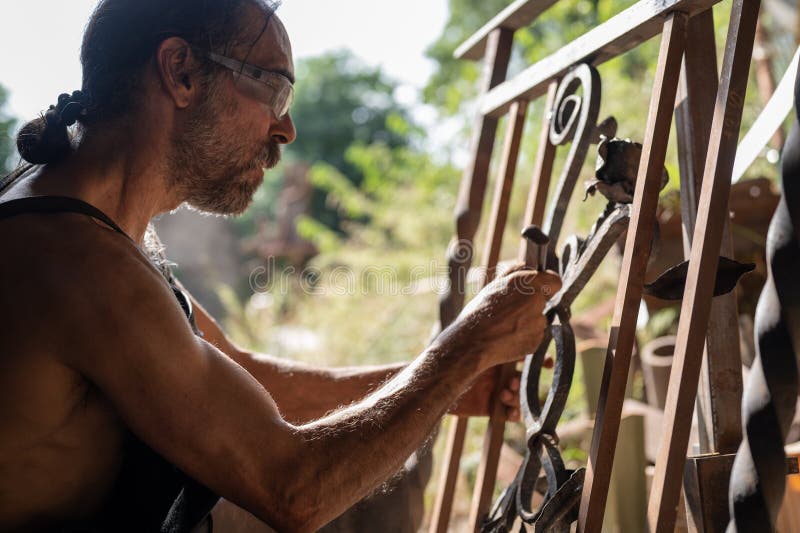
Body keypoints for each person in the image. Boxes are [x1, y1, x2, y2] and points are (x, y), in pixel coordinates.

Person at [0, 1, 560, 531]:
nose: (285, 128)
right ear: (181, 72)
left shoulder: (97, 228)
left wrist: (462, 384)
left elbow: (243, 376)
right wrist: (464, 348)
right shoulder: (75, 260)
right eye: (273, 87)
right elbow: (294, 491)